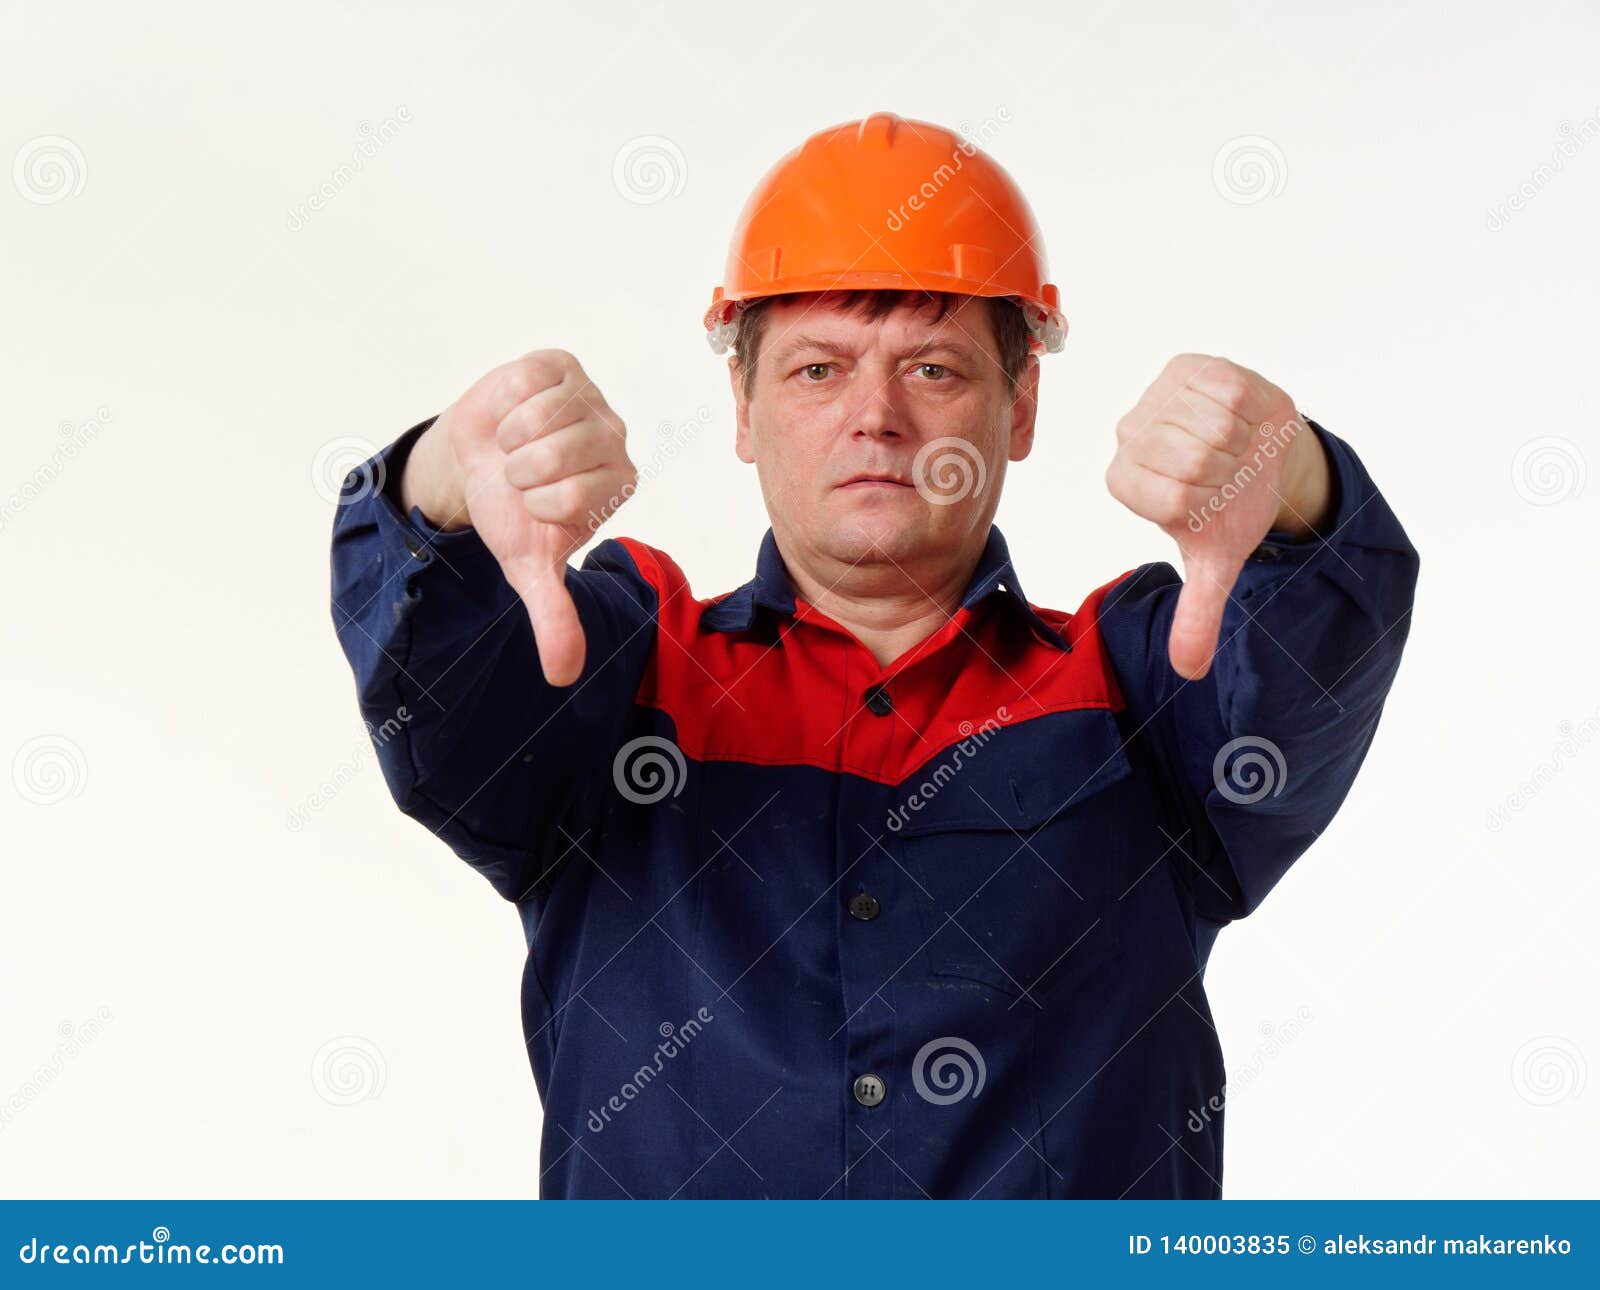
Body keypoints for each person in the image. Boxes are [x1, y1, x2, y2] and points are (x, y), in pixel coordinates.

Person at [329, 113, 1419, 1198]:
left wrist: (1293, 487)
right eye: (817, 370)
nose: (876, 417)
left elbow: (1305, 676)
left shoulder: (1141, 687)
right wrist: (442, 489)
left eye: (934, 369)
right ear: (743, 408)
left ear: (1020, 406)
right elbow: (446, 707)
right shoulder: (622, 674)